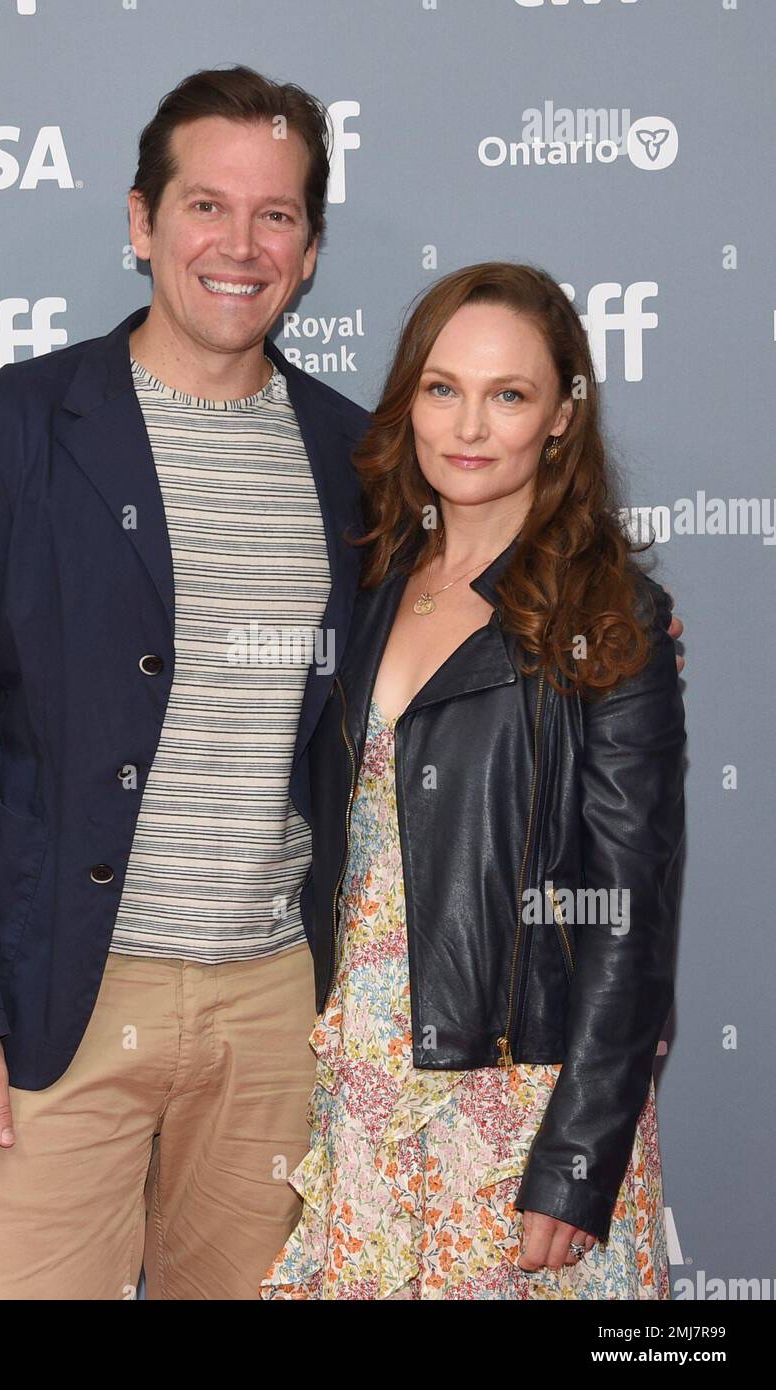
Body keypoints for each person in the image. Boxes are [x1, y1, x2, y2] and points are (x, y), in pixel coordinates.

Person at [0, 65, 684, 1302]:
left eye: (278, 216)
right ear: (142, 221)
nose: (240, 246)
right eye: (207, 206)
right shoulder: (8, 431)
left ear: (310, 250)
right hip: (57, 1012)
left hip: (279, 1019)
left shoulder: (351, 459)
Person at [260, 262, 686, 1300]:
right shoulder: (370, 581)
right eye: (443, 388)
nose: (470, 424)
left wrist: (580, 1152)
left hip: (515, 1098)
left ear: (561, 417)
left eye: (510, 394)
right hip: (363, 1074)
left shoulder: (610, 614)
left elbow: (627, 910)